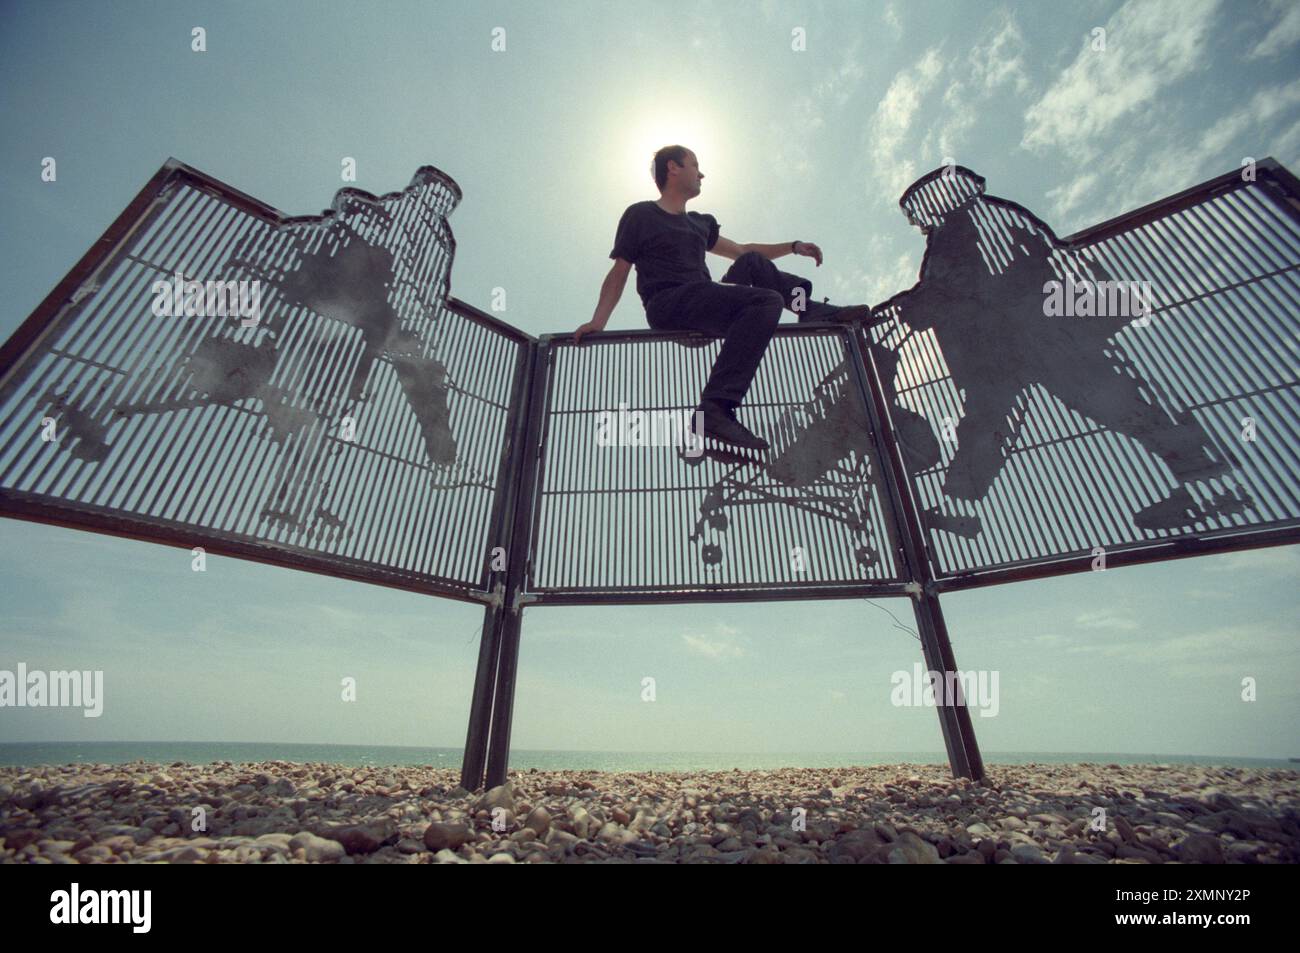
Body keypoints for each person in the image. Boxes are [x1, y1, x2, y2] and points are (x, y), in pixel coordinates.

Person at [574, 144, 870, 451]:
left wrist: (793, 246)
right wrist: (598, 321)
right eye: (694, 165)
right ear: (673, 168)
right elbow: (620, 270)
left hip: (704, 300)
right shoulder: (641, 215)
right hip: (668, 304)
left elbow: (744, 250)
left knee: (752, 263)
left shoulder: (699, 222)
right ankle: (715, 408)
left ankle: (805, 308)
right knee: (766, 301)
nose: (701, 173)